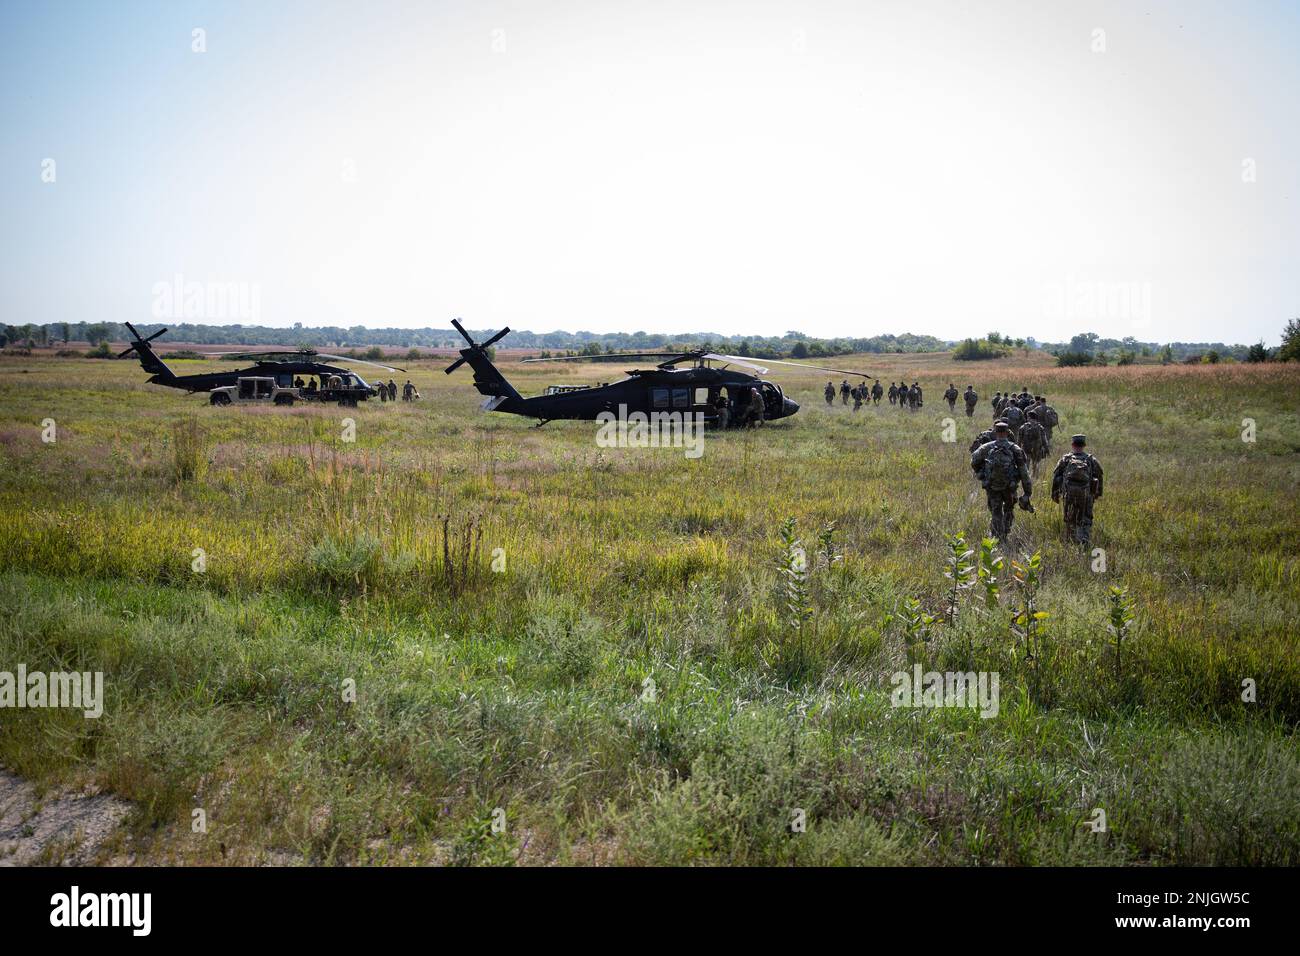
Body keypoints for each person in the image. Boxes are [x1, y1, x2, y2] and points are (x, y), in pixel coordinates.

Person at [970, 421, 1033, 543]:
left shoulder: (986, 447)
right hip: (1010, 486)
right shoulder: (1015, 449)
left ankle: (996, 537)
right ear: (1007, 432)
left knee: (996, 510)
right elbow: (1024, 473)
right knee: (1009, 509)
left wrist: (981, 475)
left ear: (995, 432)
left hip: (992, 486)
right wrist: (1027, 492)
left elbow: (973, 461)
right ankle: (1005, 532)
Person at [1051, 435, 1103, 547]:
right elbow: (1099, 476)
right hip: (1086, 495)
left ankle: (1071, 542)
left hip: (1069, 494)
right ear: (1084, 445)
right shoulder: (1091, 459)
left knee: (1070, 518)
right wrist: (1097, 494)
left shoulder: (1066, 459)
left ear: (1072, 445)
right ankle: (1084, 541)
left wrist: (1055, 494)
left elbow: (1056, 477)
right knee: (1086, 518)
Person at [1018, 410, 1049, 477]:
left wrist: (1018, 449)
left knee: (1026, 464)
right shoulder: (1040, 427)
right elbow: (1044, 440)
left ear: (1029, 417)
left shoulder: (1023, 427)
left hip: (1026, 448)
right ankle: (1035, 476)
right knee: (1036, 463)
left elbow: (1019, 439)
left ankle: (1026, 476)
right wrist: (1046, 449)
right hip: (1037, 449)